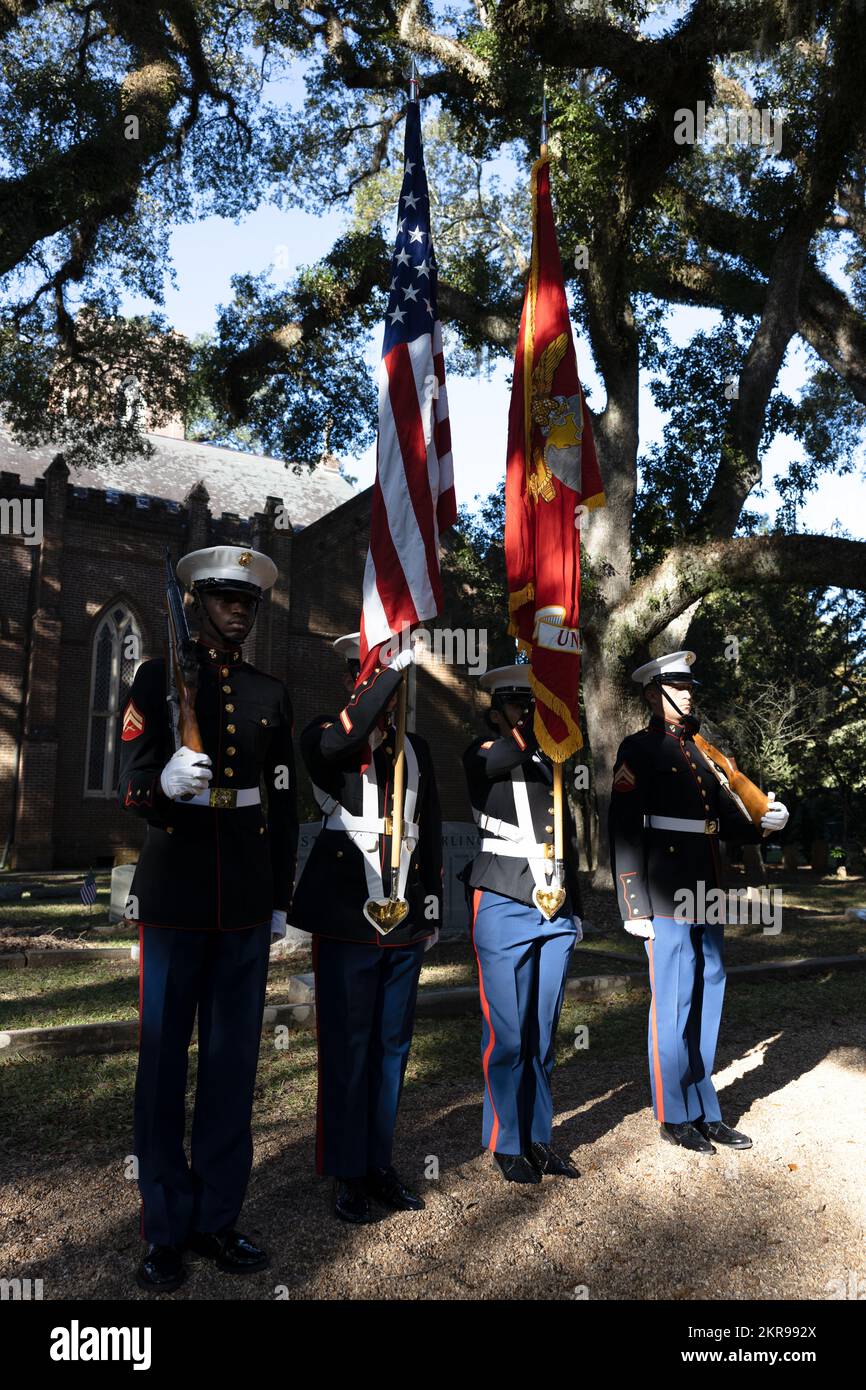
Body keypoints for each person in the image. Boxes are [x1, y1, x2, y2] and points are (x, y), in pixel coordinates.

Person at [119, 545, 298, 1291]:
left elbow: (283, 799)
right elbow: (132, 784)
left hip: (245, 902)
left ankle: (218, 1219)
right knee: (162, 1069)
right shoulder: (159, 678)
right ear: (196, 603)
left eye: (247, 602)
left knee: (231, 1069)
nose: (237, 610)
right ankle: (165, 1228)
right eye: (225, 599)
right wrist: (161, 783)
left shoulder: (269, 692)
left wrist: (281, 896)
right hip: (175, 899)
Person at [609, 650, 789, 1155]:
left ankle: (705, 1109)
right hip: (663, 888)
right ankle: (674, 1113)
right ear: (653, 694)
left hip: (707, 885)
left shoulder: (703, 751)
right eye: (677, 686)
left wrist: (761, 825)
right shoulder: (638, 749)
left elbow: (719, 821)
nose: (689, 693)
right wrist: (632, 903)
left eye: (691, 685)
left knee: (709, 991)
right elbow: (623, 828)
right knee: (674, 1000)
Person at [292, 633, 442, 1223]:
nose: (385, 685)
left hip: (403, 919)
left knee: (391, 1047)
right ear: (357, 676)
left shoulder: (417, 748)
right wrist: (383, 682)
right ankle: (346, 1169)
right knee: (347, 1047)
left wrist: (429, 909)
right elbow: (343, 739)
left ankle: (378, 1161)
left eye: (390, 676)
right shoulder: (325, 735)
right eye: (374, 674)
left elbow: (427, 832)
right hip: (347, 917)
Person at [461, 665, 583, 1184]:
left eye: (534, 705)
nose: (529, 714)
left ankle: (537, 1136)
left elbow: (568, 839)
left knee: (542, 1032)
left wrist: (577, 911)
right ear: (494, 711)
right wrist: (543, 717)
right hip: (503, 900)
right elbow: (505, 757)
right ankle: (505, 1141)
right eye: (518, 705)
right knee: (507, 1035)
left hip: (553, 908)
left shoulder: (551, 763)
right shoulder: (483, 753)